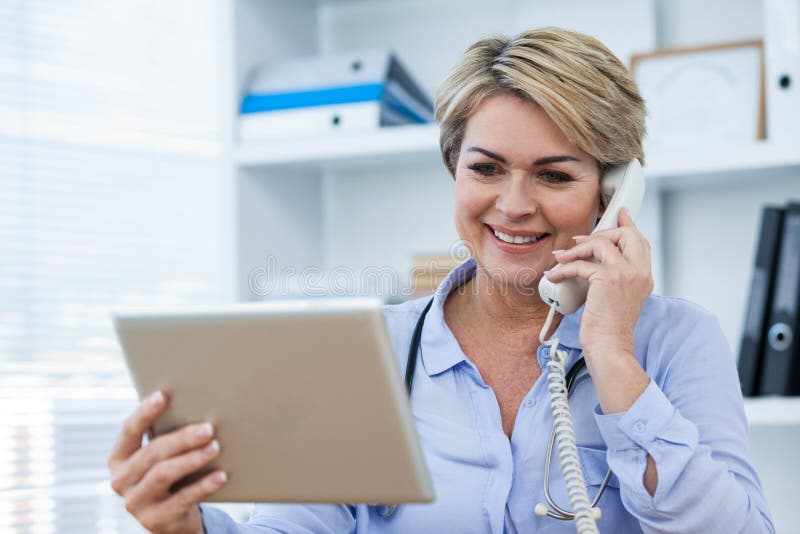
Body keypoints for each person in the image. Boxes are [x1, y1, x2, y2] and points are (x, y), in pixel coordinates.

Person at [107, 27, 775, 533]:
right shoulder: (368, 351)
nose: (513, 204)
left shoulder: (677, 341)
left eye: (554, 174)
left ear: (612, 193)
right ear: (454, 169)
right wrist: (185, 525)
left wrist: (613, 358)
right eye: (485, 168)